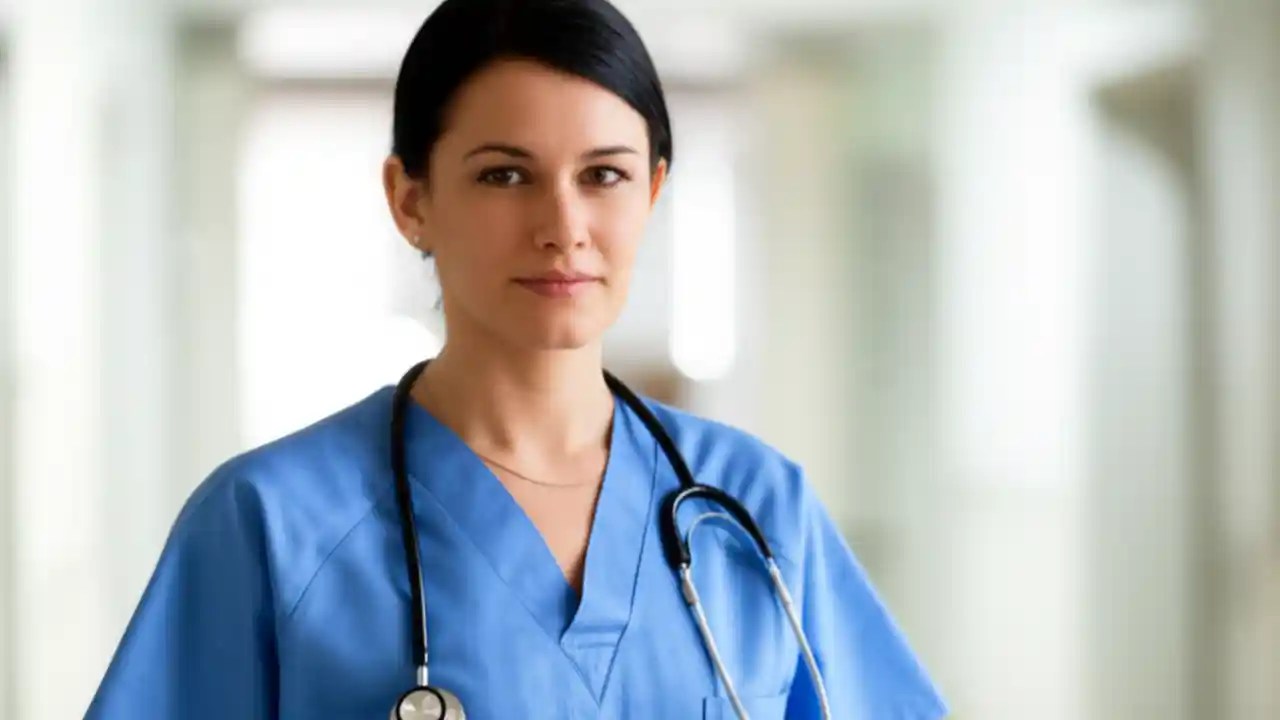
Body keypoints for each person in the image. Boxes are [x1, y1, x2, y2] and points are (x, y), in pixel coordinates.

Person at [86, 0, 947, 717]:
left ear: (652, 191)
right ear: (410, 200)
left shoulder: (754, 509)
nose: (563, 227)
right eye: (505, 175)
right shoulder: (271, 523)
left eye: (603, 176)